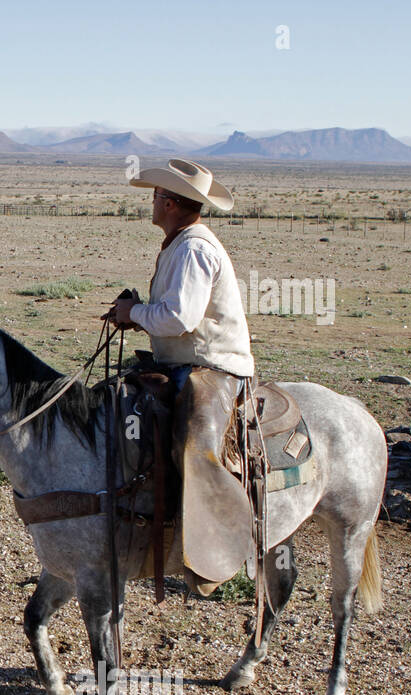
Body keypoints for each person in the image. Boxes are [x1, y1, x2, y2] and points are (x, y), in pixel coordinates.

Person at [103, 159, 254, 595]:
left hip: (212, 365)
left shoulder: (194, 249)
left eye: (155, 196)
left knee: (194, 444)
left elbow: (182, 318)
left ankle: (208, 549)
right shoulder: (179, 243)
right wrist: (135, 316)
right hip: (178, 362)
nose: (151, 203)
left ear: (169, 203)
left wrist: (135, 313)